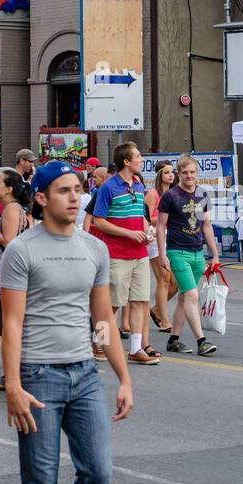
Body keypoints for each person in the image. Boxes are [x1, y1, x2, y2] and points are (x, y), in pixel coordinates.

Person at [1, 161, 132, 484]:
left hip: (84, 374)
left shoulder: (95, 248)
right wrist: (14, 385)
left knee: (98, 471)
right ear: (40, 198)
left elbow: (102, 321)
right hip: (38, 375)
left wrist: (123, 377)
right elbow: (13, 324)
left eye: (78, 189)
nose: (75, 197)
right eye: (63, 190)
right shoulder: (21, 251)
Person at [89, 142, 160, 366]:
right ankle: (99, 341)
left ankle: (136, 348)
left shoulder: (139, 186)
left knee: (140, 300)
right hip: (116, 253)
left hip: (139, 252)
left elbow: (141, 216)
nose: (141, 159)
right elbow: (99, 221)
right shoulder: (107, 188)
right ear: (127, 162)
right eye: (138, 156)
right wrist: (128, 234)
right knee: (112, 303)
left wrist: (147, 231)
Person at [156, 154, 219, 357]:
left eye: (192, 172)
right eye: (185, 173)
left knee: (185, 296)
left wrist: (215, 254)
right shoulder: (171, 196)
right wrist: (162, 253)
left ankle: (174, 339)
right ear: (179, 174)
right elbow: (160, 226)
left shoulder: (203, 195)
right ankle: (202, 341)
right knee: (192, 294)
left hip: (197, 252)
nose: (189, 176)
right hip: (177, 251)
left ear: (197, 172)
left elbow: (206, 225)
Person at [0, 168, 31, 391]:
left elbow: (8, 241)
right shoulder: (12, 208)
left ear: (9, 189)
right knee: (9, 325)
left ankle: (13, 376)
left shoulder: (11, 209)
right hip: (13, 270)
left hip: (9, 270)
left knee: (9, 325)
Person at [144, 162, 178, 332]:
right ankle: (164, 320)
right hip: (155, 238)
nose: (170, 175)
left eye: (172, 172)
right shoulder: (152, 193)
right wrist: (166, 218)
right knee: (163, 279)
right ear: (159, 175)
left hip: (171, 238)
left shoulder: (174, 193)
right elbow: (146, 218)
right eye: (166, 173)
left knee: (176, 282)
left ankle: (157, 309)